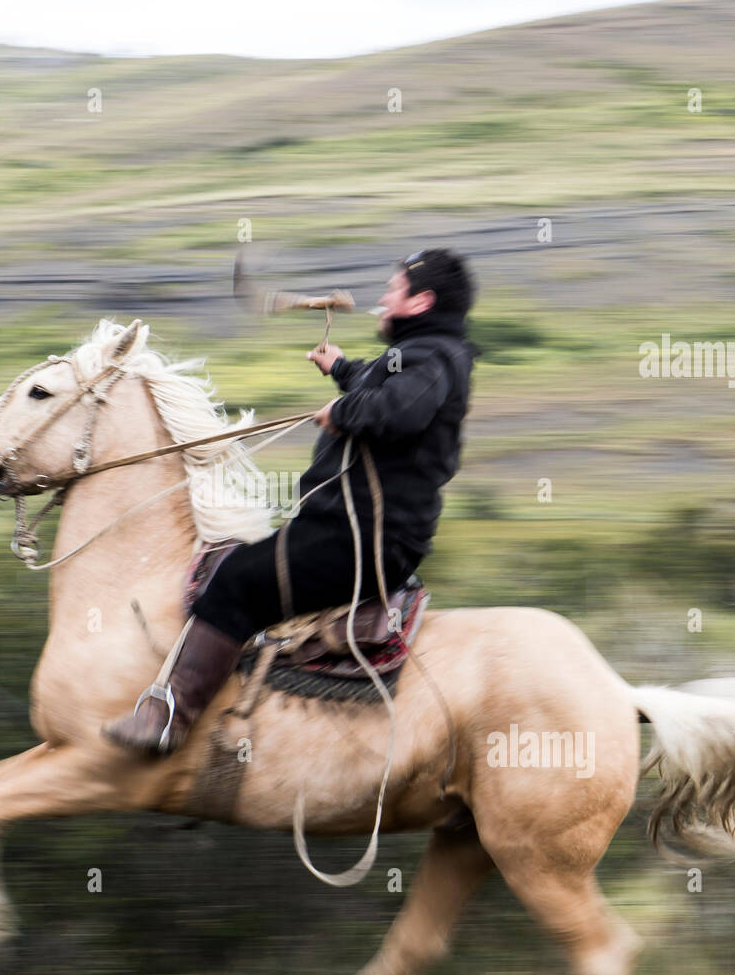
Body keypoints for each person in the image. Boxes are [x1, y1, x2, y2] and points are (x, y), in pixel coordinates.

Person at [103, 247, 479, 756]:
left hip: (360, 539)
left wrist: (344, 410)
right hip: (351, 531)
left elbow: (399, 409)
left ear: (421, 301)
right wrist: (342, 368)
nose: (383, 299)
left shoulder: (435, 357)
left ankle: (168, 719)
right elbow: (387, 383)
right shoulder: (427, 352)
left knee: (235, 580)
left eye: (394, 290)